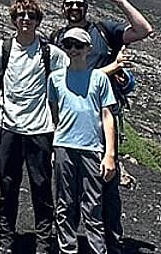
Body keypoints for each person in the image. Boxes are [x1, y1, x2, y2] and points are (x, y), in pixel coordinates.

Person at [58, 0, 153, 254]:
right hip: (69, 123)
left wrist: (119, 0)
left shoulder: (103, 31)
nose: (75, 8)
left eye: (80, 3)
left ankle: (111, 241)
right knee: (69, 189)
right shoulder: (57, 38)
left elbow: (144, 30)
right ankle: (72, 243)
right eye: (70, 3)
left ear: (86, 6)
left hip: (102, 120)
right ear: (63, 7)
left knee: (108, 183)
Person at [0, 0, 68, 254]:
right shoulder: (3, 48)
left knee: (41, 188)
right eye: (20, 15)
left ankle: (43, 243)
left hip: (41, 129)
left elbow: (71, 76)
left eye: (30, 15)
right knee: (8, 186)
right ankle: (6, 241)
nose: (25, 19)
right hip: (8, 128)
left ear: (38, 20)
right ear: (14, 19)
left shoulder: (51, 53)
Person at [47, 27, 117, 254]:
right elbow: (55, 113)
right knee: (64, 204)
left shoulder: (99, 79)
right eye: (68, 45)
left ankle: (98, 250)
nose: (73, 50)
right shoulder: (55, 79)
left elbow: (107, 117)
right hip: (64, 147)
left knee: (93, 206)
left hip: (91, 149)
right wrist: (55, 145)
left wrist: (110, 154)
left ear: (88, 49)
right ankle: (68, 249)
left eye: (78, 46)